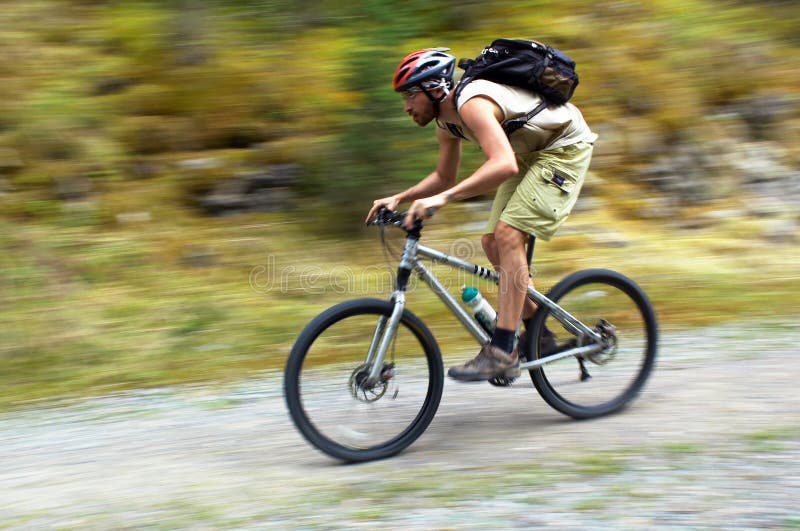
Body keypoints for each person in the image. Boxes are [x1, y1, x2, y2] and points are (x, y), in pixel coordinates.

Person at [366, 48, 597, 382]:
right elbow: (443, 177)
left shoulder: (472, 103)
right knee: (491, 242)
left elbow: (503, 164)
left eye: (410, 95)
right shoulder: (446, 124)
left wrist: (442, 200)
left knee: (507, 234)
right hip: (529, 155)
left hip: (563, 149)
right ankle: (539, 334)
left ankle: (502, 351)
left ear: (434, 88)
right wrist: (400, 197)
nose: (406, 106)